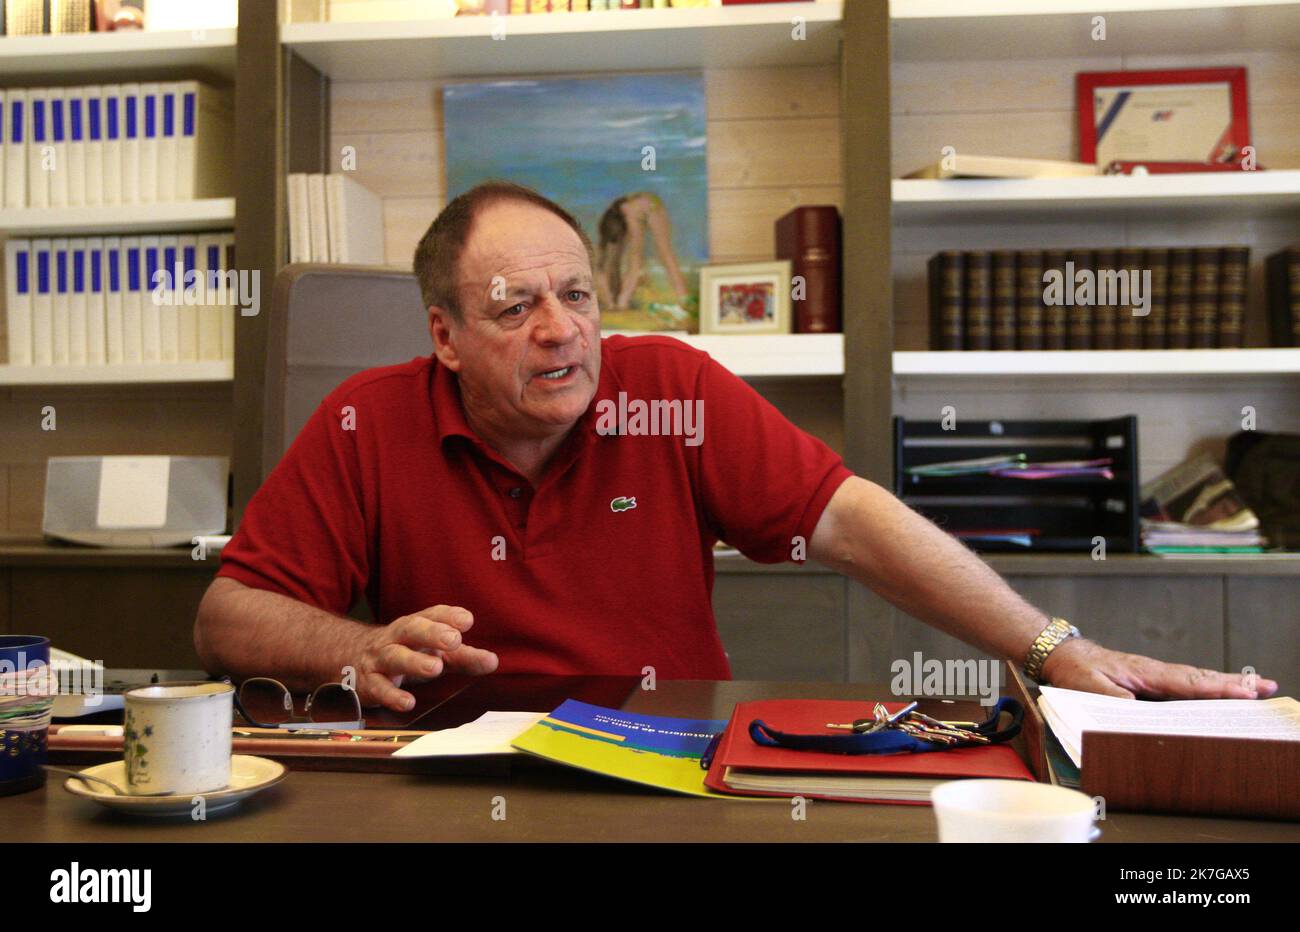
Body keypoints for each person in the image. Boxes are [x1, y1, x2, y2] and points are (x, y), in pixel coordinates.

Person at [195, 180, 1279, 712]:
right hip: (444, 791)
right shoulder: (366, 419)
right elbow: (226, 615)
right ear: (444, 336)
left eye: (577, 294)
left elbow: (853, 520)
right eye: (514, 306)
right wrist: (352, 647)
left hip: (668, 778)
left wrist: (1049, 649)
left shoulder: (669, 387)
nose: (561, 329)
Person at [594, 191, 690, 318]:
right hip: (653, 204)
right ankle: (684, 296)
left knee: (642, 257)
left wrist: (621, 302)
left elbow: (636, 257)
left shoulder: (628, 211)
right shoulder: (629, 207)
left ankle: (623, 301)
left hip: (649, 206)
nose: (625, 240)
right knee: (666, 253)